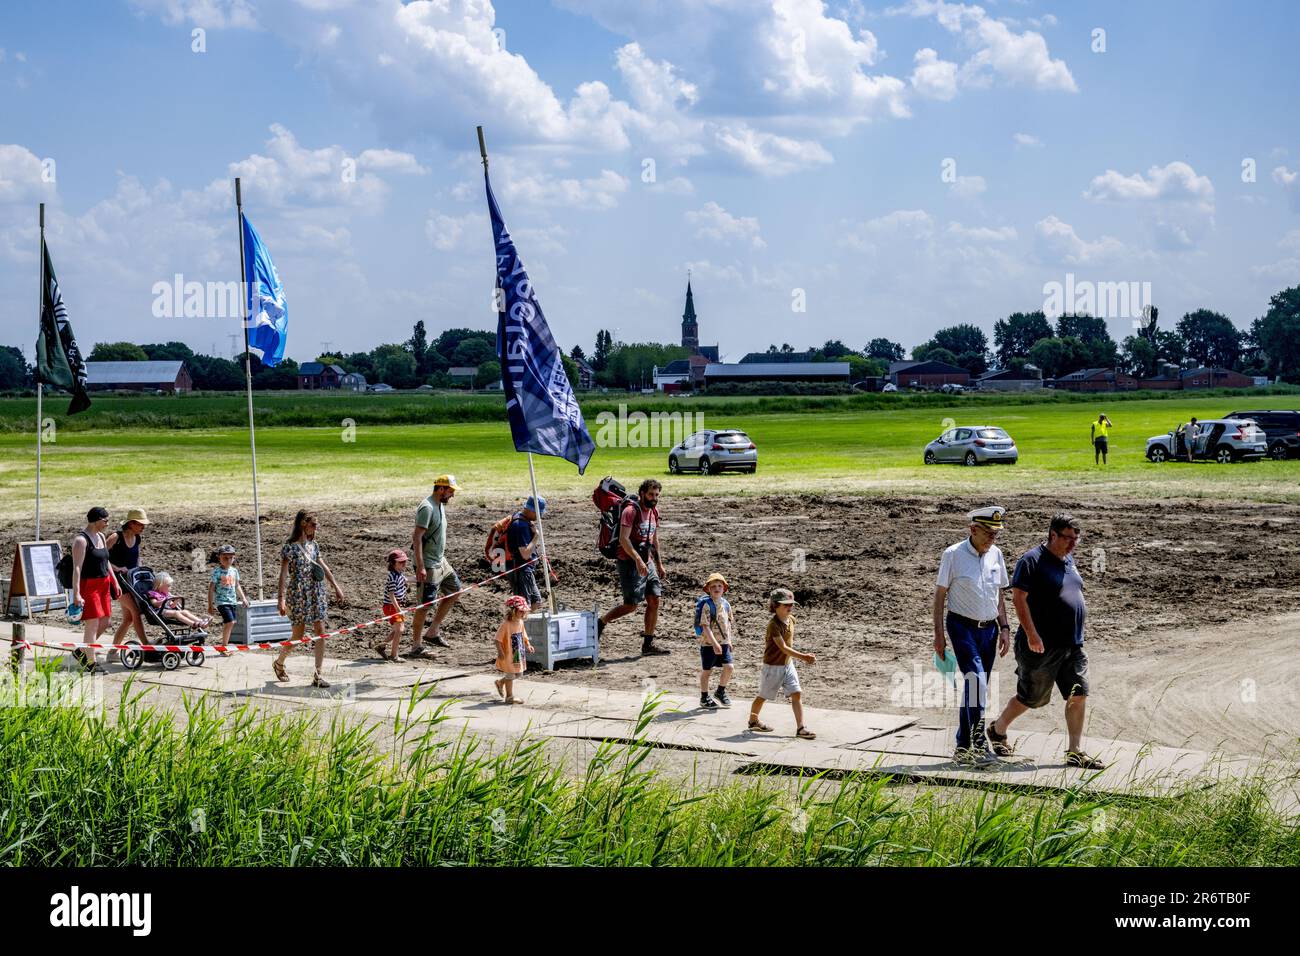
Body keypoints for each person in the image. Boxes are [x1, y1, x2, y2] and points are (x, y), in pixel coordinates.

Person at [985, 513, 1108, 770]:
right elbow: (1019, 598)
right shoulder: (1031, 560)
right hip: (1040, 644)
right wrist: (1032, 634)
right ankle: (998, 729)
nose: (1073, 544)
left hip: (1072, 645)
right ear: (1053, 535)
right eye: (1068, 538)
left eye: (1076, 538)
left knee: (1079, 693)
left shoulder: (1068, 559)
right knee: (1032, 698)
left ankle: (1074, 751)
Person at [933, 506, 1011, 767]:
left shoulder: (996, 554)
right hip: (961, 627)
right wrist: (939, 637)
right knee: (976, 683)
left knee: (976, 688)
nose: (992, 539)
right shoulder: (953, 554)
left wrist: (1005, 627)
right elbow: (940, 597)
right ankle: (978, 744)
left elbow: (998, 594)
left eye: (996, 534)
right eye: (988, 533)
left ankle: (962, 746)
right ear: (973, 529)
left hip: (989, 630)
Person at [597, 479, 669, 656]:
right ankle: (601, 622)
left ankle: (648, 645)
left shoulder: (653, 511)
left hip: (648, 561)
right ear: (642, 493)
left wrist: (659, 563)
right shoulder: (630, 511)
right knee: (631, 606)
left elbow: (654, 540)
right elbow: (624, 539)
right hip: (629, 562)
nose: (654, 498)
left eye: (657, 495)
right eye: (651, 494)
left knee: (654, 600)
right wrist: (637, 560)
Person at [273, 510, 345, 688]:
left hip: (316, 592)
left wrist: (335, 586)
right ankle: (279, 662)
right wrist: (280, 598)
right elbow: (283, 574)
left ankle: (318, 675)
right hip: (297, 594)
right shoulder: (289, 546)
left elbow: (323, 567)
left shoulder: (314, 545)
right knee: (298, 634)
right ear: (303, 524)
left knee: (320, 631)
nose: (316, 528)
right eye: (314, 524)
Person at [747, 588, 816, 739]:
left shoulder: (791, 620)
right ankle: (753, 721)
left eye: (791, 604)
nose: (789, 607)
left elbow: (787, 648)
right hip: (773, 667)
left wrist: (797, 658)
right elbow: (783, 648)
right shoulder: (773, 625)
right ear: (775, 606)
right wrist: (804, 657)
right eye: (785, 604)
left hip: (787, 664)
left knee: (796, 693)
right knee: (763, 696)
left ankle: (801, 728)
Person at [409, 475, 462, 656]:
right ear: (441, 489)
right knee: (424, 605)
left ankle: (432, 632)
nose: (452, 495)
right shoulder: (427, 507)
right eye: (451, 491)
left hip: (441, 561)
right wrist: (421, 567)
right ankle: (416, 646)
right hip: (429, 564)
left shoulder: (439, 504)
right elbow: (416, 538)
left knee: (455, 590)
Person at [70, 507, 119, 672]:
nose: (107, 524)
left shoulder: (101, 537)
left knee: (105, 622)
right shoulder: (81, 541)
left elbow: (106, 561)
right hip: (89, 586)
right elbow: (76, 568)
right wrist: (76, 593)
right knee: (92, 625)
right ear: (96, 520)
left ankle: (82, 651)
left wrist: (115, 581)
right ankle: (90, 664)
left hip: (104, 585)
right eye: (105, 521)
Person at [106, 508, 150, 647]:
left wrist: (139, 570)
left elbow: (136, 558)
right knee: (135, 612)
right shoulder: (115, 537)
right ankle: (147, 645)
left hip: (131, 582)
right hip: (116, 581)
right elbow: (100, 557)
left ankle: (113, 652)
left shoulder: (137, 538)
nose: (143, 527)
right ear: (131, 523)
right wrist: (117, 568)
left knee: (128, 619)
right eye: (140, 524)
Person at [695, 572, 735, 709]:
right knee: (707, 670)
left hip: (723, 643)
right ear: (708, 589)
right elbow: (705, 626)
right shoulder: (707, 605)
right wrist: (714, 643)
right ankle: (704, 696)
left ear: (724, 588)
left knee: (729, 667)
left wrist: (728, 640)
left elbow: (728, 624)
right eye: (713, 586)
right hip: (708, 644)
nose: (717, 588)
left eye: (719, 586)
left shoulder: (726, 604)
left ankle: (720, 691)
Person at [208, 544, 250, 656]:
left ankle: (225, 644)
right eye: (225, 558)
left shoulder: (234, 571)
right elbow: (211, 588)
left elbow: (237, 585)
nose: (228, 560)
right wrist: (210, 605)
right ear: (219, 558)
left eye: (230, 557)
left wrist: (244, 598)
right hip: (221, 601)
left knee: (231, 623)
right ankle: (224, 646)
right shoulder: (217, 572)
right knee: (230, 622)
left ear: (234, 558)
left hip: (232, 601)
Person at [507, 497, 547, 613]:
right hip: (521, 571)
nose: (540, 516)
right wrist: (536, 537)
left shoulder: (521, 518)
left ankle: (524, 628)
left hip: (525, 570)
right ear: (532, 510)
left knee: (535, 602)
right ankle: (516, 629)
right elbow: (525, 554)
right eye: (539, 513)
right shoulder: (521, 526)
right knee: (522, 608)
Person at [494, 595, 534, 704]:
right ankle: (509, 697)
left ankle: (500, 683)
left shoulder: (520, 622)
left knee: (518, 674)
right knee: (511, 675)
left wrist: (528, 645)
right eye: (521, 611)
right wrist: (500, 652)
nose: (523, 613)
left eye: (524, 611)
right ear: (513, 611)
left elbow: (523, 635)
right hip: (508, 654)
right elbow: (497, 639)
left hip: (517, 653)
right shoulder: (506, 625)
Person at [376, 548, 410, 661]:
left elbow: (407, 579)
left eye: (405, 561)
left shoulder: (399, 574)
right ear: (393, 563)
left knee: (398, 630)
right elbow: (391, 595)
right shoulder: (392, 577)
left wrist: (423, 579)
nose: (404, 564)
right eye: (401, 562)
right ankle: (394, 655)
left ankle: (381, 646)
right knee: (399, 630)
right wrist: (398, 609)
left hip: (394, 606)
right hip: (391, 607)